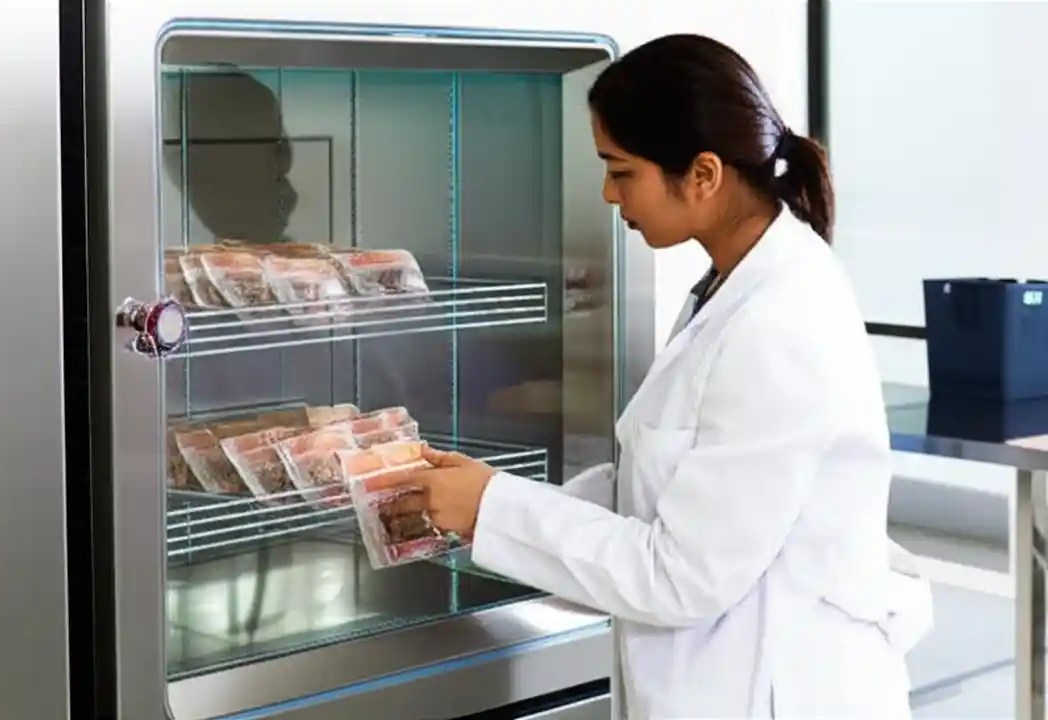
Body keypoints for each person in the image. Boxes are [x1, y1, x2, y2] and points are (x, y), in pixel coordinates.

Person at [369, 34, 934, 718]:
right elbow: (662, 487)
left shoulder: (779, 321)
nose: (608, 193)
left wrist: (493, 508)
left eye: (621, 170)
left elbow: (683, 576)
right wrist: (483, 499)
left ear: (702, 174)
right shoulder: (730, 287)